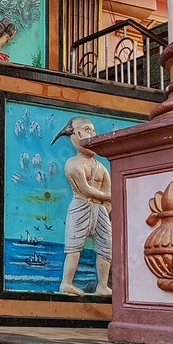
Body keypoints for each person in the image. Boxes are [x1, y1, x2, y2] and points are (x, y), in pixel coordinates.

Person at [50, 117, 112, 296]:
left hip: (99, 210)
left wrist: (106, 207)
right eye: (87, 130)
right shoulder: (73, 164)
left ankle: (102, 286)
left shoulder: (101, 167)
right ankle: (66, 283)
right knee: (74, 248)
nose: (93, 135)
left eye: (93, 131)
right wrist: (108, 197)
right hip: (80, 207)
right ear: (76, 134)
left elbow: (107, 188)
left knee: (106, 247)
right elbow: (86, 190)